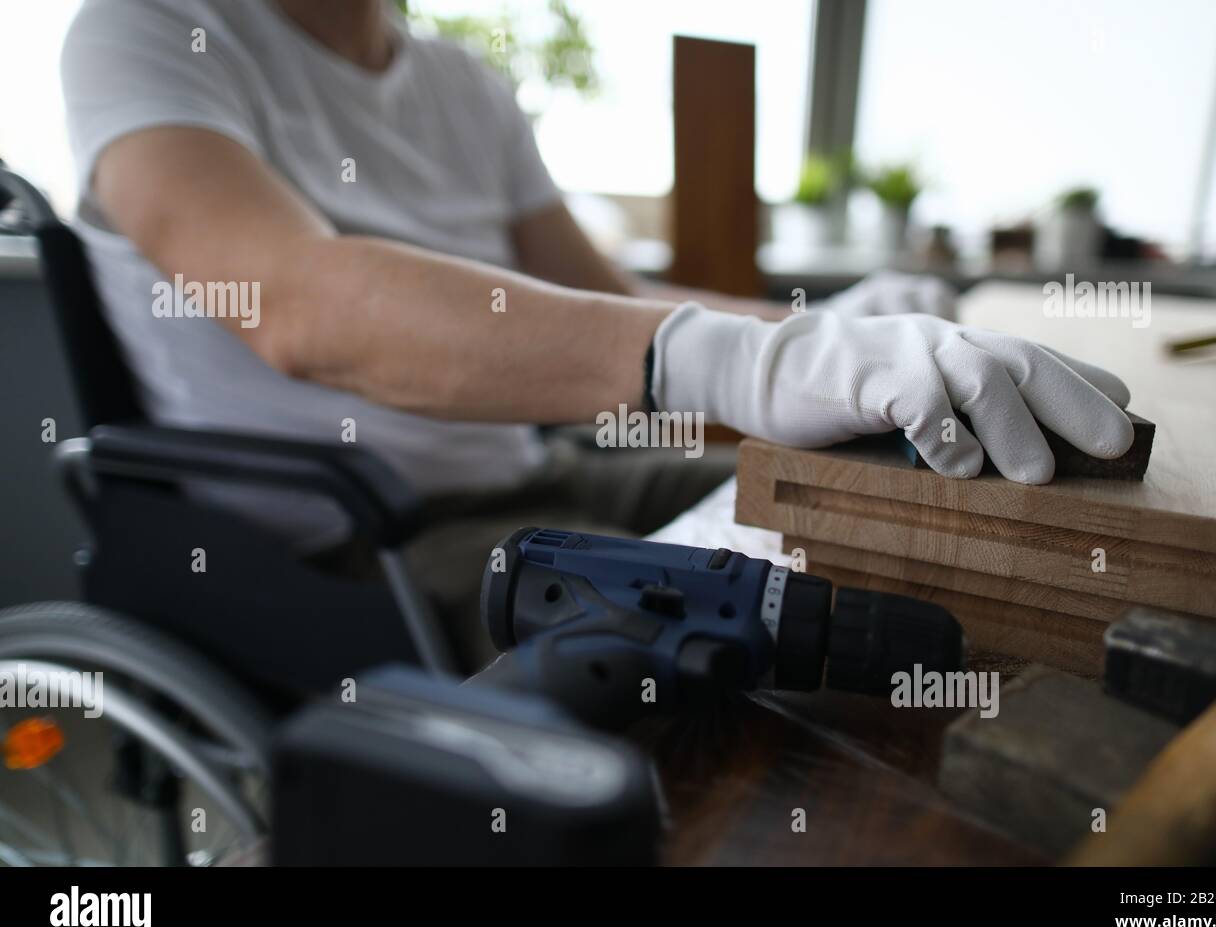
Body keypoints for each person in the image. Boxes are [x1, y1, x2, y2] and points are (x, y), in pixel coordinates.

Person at [60, 0, 1134, 665]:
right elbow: (293, 302)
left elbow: (607, 298)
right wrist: (733, 358)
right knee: (787, 647)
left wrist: (850, 336)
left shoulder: (461, 83)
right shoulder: (150, 27)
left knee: (897, 520)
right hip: (362, 537)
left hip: (551, 476)